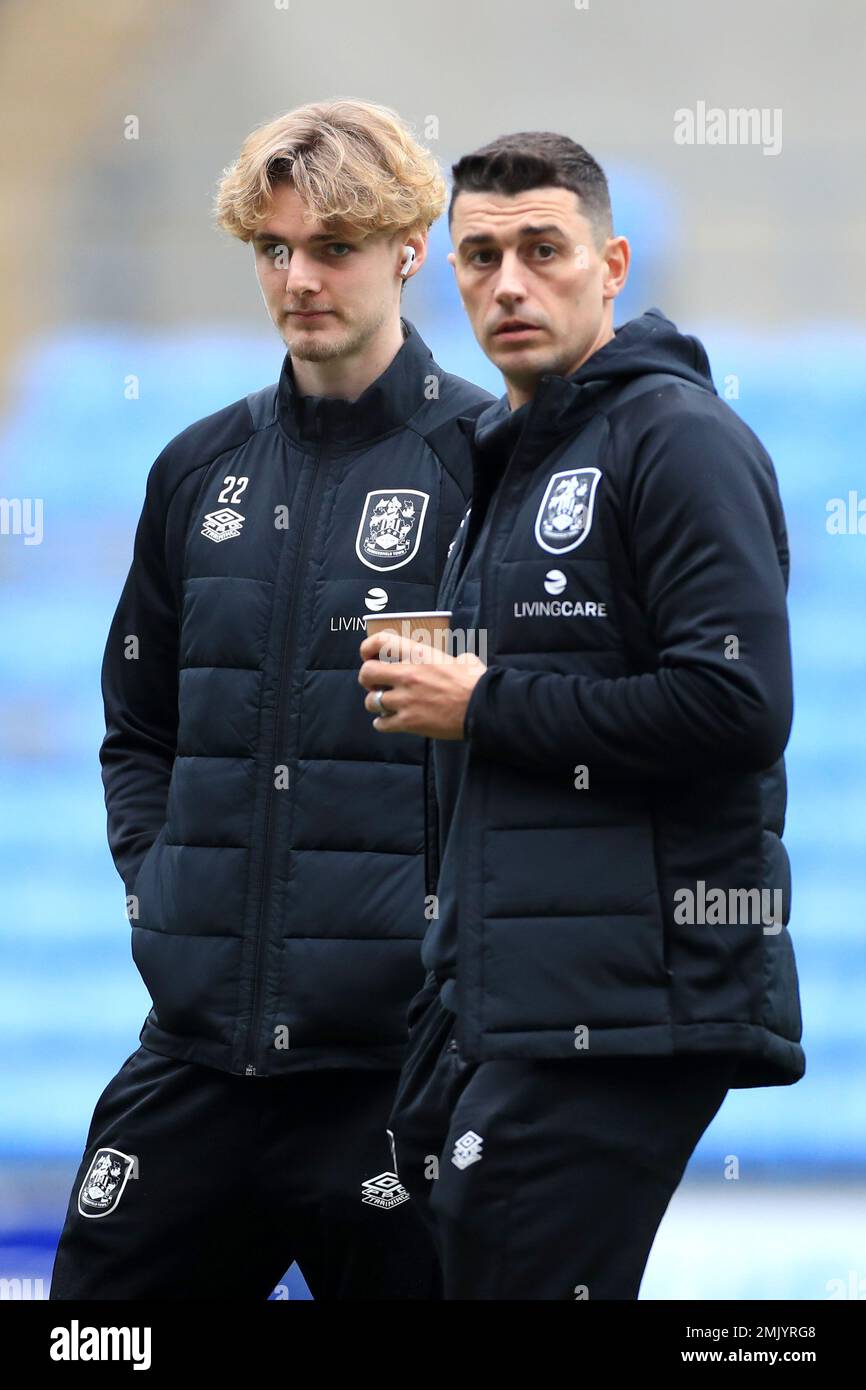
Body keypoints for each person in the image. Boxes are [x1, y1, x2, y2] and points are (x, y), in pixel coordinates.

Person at [50, 99, 494, 1301]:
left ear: (408, 247)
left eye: (333, 248)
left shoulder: (488, 463)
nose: (299, 278)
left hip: (394, 1077)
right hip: (194, 1062)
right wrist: (160, 883)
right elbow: (136, 726)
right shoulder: (197, 467)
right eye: (273, 249)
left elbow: (531, 738)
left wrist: (441, 936)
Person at [358, 130, 805, 1300]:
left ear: (609, 265)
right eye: (478, 256)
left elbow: (736, 702)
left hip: (626, 1001)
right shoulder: (509, 457)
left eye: (541, 250)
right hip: (515, 996)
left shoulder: (675, 437)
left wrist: (487, 700)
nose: (507, 284)